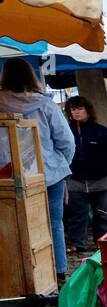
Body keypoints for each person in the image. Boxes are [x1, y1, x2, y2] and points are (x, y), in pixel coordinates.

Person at [0, 59, 76, 283]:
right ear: (31, 76)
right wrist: (61, 164)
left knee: (11, 224)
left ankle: (18, 274)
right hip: (48, 173)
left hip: (8, 174)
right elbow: (66, 141)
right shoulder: (44, 104)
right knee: (54, 223)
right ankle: (59, 270)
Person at [63, 95, 107, 253]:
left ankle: (101, 241)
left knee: (101, 213)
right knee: (77, 214)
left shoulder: (100, 131)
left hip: (100, 179)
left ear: (87, 110)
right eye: (73, 109)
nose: (76, 112)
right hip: (75, 180)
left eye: (79, 108)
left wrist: (99, 164)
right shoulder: (66, 132)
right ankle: (77, 243)